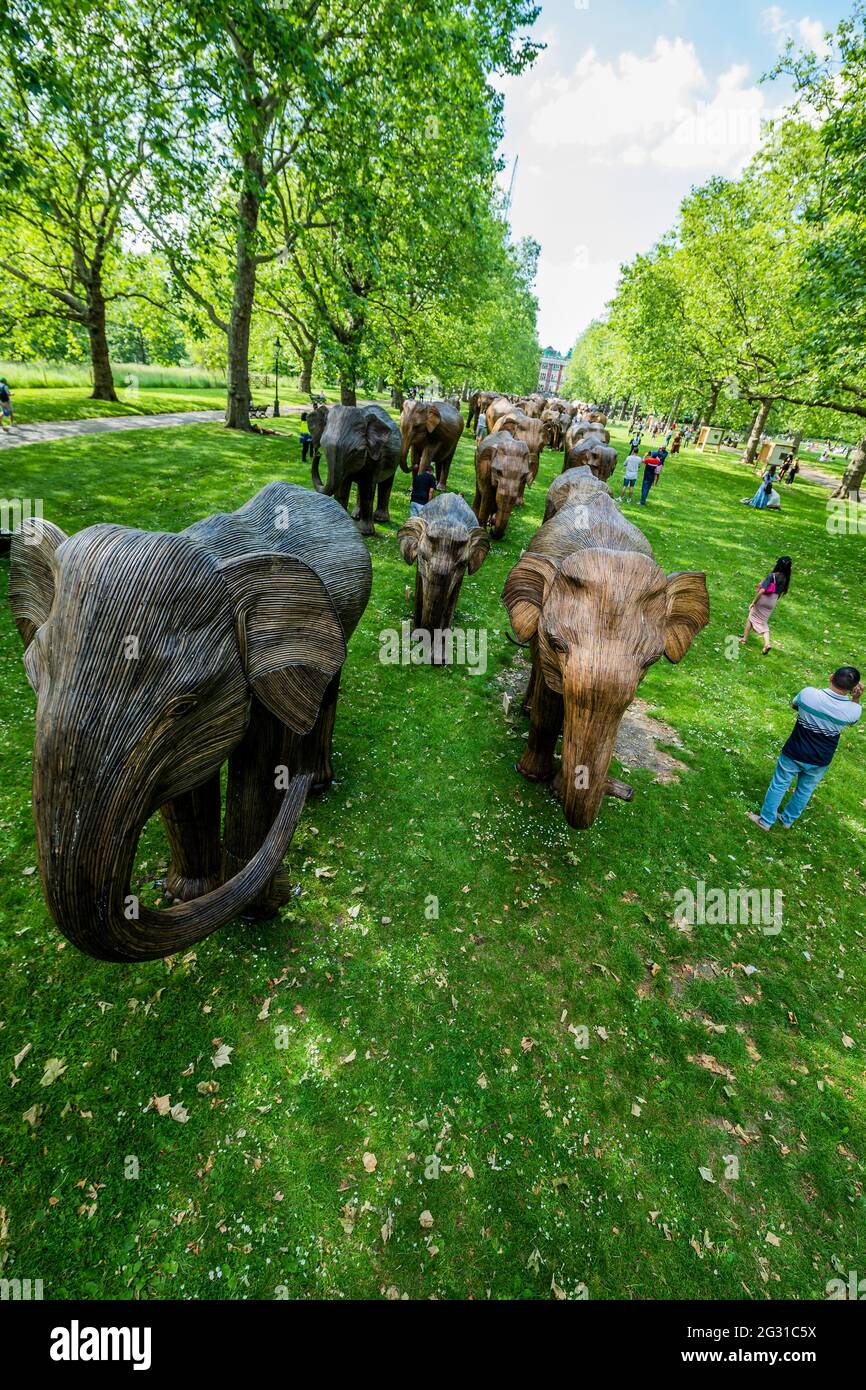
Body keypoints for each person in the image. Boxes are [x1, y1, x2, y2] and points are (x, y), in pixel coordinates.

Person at [748, 667, 862, 831]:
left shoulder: (808, 694)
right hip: (820, 759)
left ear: (831, 677)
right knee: (805, 790)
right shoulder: (854, 709)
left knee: (779, 784)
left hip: (794, 751)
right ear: (853, 689)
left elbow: (794, 705)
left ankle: (765, 821)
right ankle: (787, 821)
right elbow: (852, 722)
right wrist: (856, 699)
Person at [740, 556, 791, 656]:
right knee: (763, 622)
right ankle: (767, 643)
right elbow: (781, 593)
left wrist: (753, 602)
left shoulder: (772, 576)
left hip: (763, 599)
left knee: (751, 616)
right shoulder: (786, 579)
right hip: (773, 601)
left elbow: (762, 591)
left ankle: (744, 639)